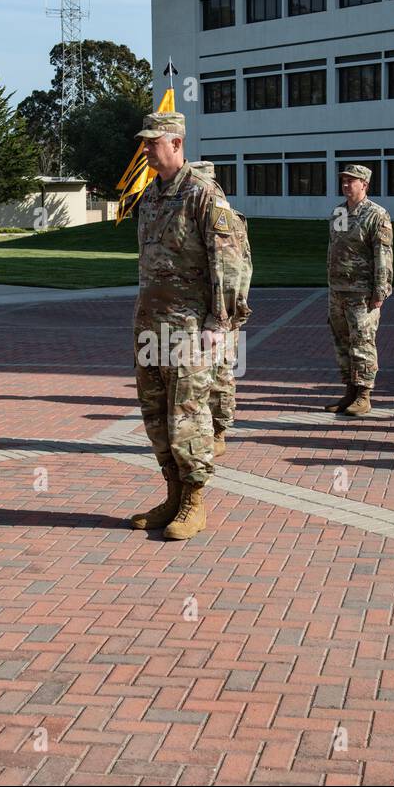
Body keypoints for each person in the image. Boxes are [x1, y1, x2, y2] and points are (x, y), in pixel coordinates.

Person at [127, 112, 251, 541]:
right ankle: (173, 495)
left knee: (187, 416)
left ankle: (194, 502)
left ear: (176, 143)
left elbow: (229, 262)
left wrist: (220, 321)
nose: (145, 149)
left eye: (152, 142)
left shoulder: (203, 195)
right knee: (156, 414)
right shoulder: (150, 198)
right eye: (144, 142)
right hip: (151, 326)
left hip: (191, 328)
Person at [190, 162, 253, 457]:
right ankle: (204, 429)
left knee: (222, 373)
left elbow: (236, 268)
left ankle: (219, 429)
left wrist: (226, 313)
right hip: (200, 309)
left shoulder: (225, 217)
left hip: (222, 311)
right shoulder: (194, 214)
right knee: (204, 373)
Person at [325, 164, 393, 417]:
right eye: (343, 180)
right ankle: (350, 391)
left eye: (351, 181)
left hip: (362, 292)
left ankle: (364, 395)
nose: (345, 184)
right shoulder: (339, 212)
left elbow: (383, 255)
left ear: (364, 184)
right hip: (338, 291)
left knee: (362, 343)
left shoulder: (377, 214)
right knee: (342, 342)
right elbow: (336, 248)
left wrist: (380, 290)